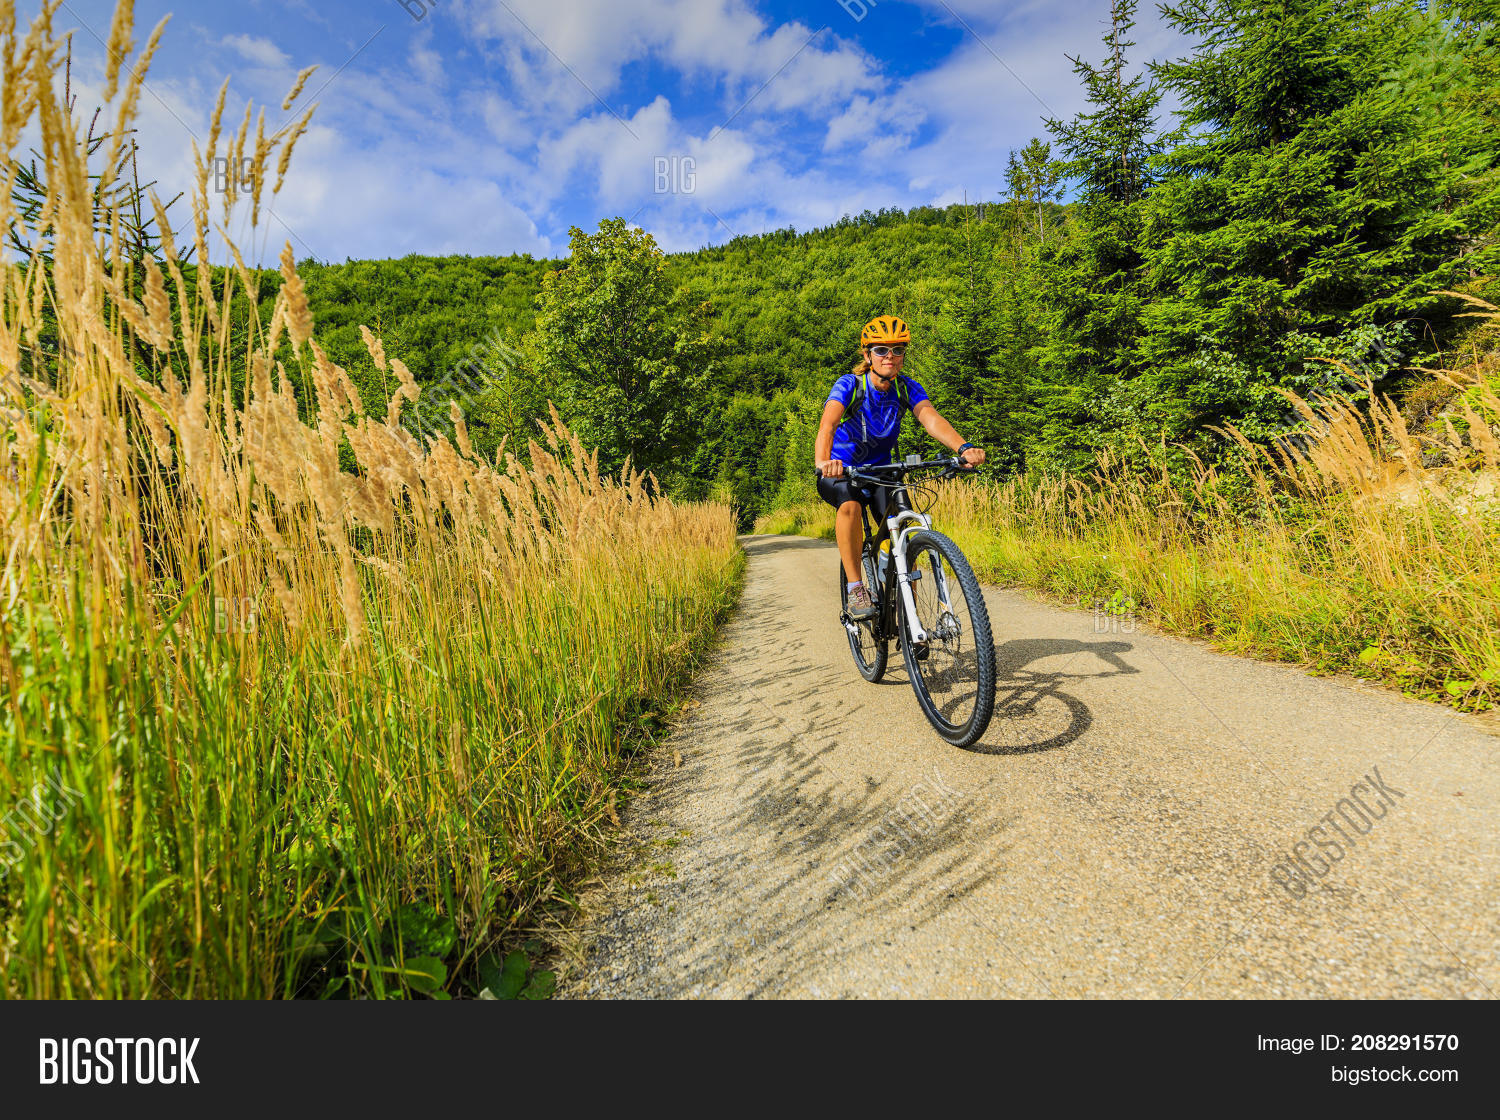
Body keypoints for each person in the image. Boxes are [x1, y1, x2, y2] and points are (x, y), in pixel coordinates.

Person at [815, 315, 985, 620]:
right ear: (867, 355)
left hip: (882, 472)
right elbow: (828, 425)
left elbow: (930, 417)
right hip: (844, 471)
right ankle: (856, 586)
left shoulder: (906, 387)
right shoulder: (850, 385)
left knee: (903, 537)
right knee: (850, 505)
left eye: (897, 350)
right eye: (881, 350)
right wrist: (824, 462)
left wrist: (962, 448)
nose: (889, 356)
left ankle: (911, 618)